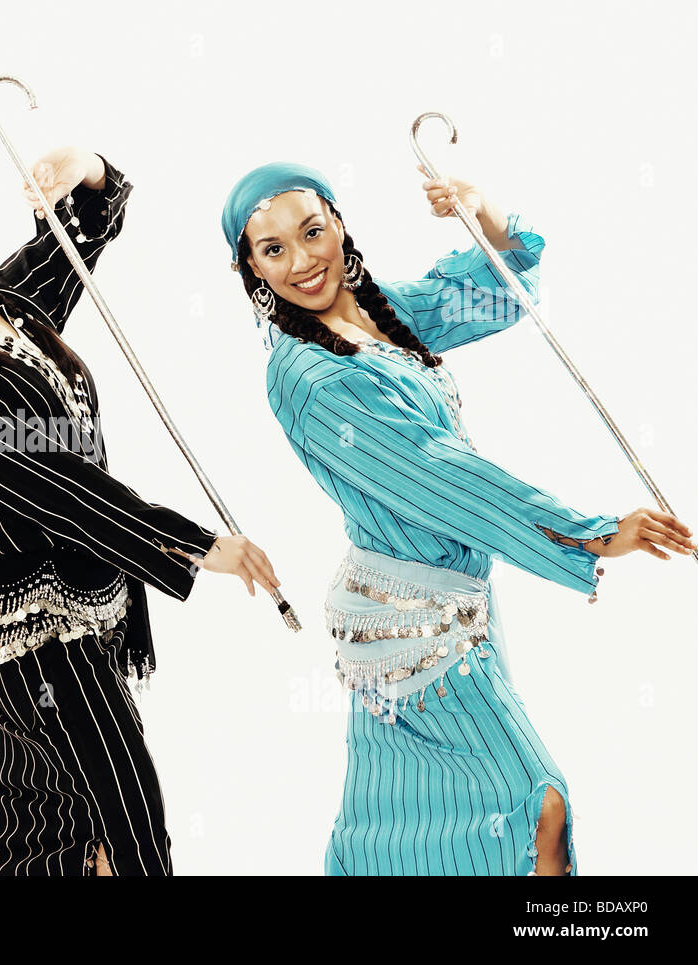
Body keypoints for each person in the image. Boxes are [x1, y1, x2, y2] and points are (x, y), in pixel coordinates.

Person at [221, 160, 694, 875]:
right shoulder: (309, 378)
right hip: (409, 627)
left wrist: (488, 219)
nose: (303, 260)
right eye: (274, 249)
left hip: (454, 603)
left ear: (339, 224)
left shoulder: (376, 315)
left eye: (312, 231)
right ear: (252, 269)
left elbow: (497, 297)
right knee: (534, 803)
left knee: (402, 820)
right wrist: (591, 531)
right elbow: (444, 476)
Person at [0, 147, 281, 875]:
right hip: (34, 626)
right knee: (130, 823)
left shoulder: (10, 304)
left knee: (29, 817)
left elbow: (88, 225)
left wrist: (86, 165)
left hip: (95, 596)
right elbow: (56, 487)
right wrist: (192, 542)